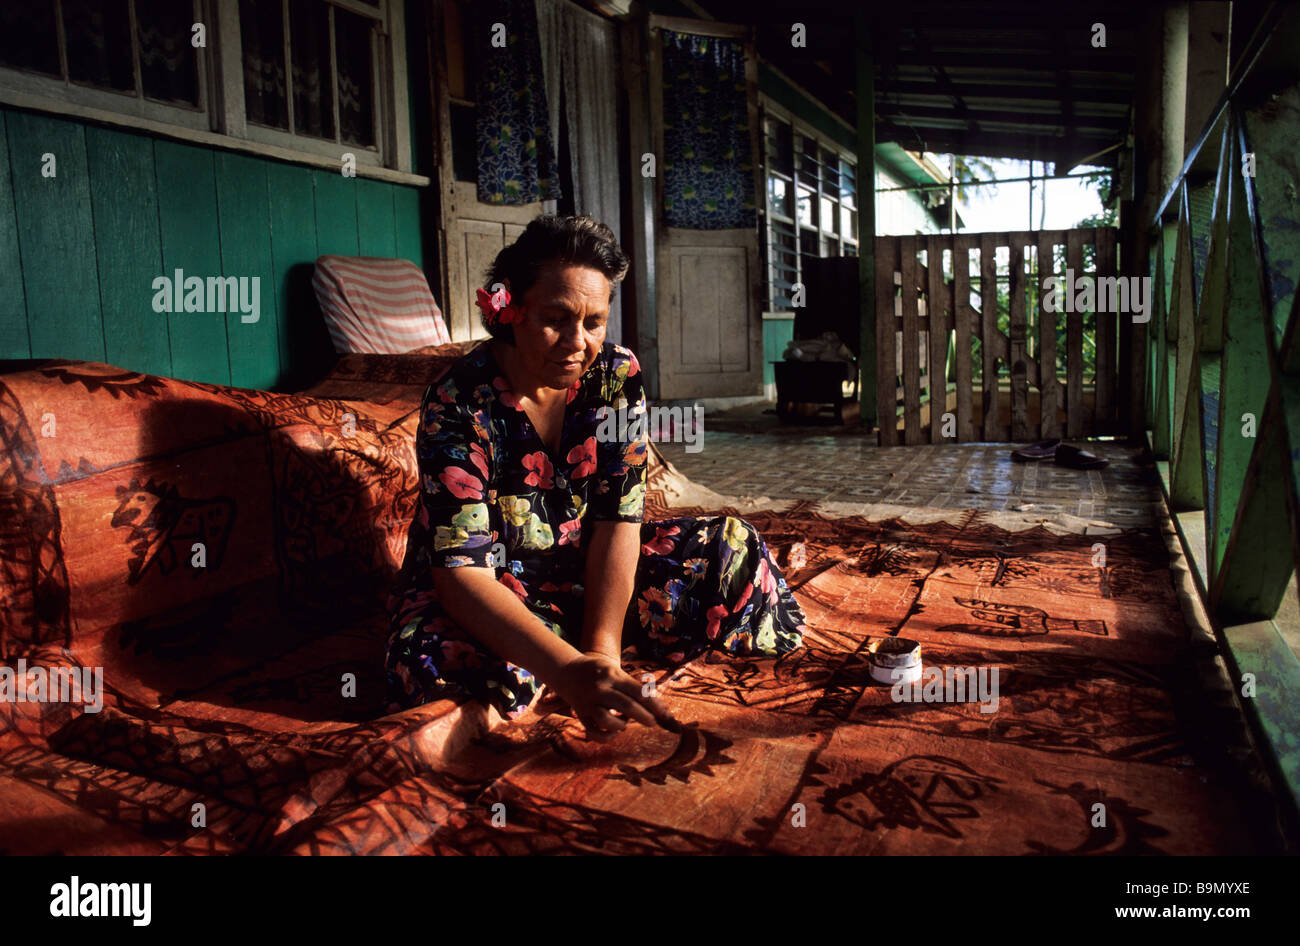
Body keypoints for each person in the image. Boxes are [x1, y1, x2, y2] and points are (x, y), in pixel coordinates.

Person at [384, 214, 806, 737]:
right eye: (556, 318)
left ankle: (585, 643)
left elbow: (618, 521)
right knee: (436, 661)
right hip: (490, 586)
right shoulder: (457, 402)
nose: (576, 342)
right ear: (509, 309)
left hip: (584, 570)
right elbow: (461, 574)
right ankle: (552, 654)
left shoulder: (615, 377)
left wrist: (601, 652)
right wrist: (567, 669)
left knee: (730, 551)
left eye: (593, 322)